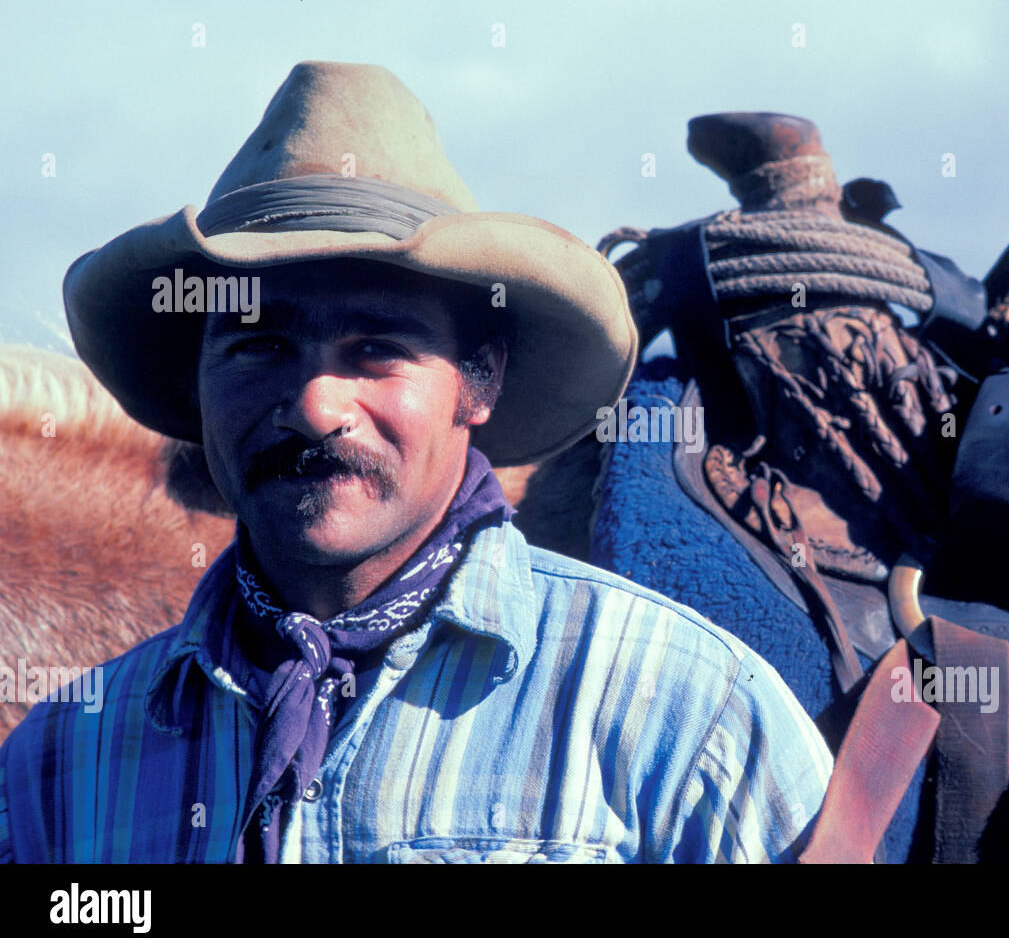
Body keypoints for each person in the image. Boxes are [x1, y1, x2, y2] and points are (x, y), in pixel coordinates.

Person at [0, 62, 832, 863]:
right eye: (258, 346)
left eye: (376, 350)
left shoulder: (687, 710)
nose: (317, 408)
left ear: (480, 381)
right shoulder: (61, 761)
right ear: (198, 384)